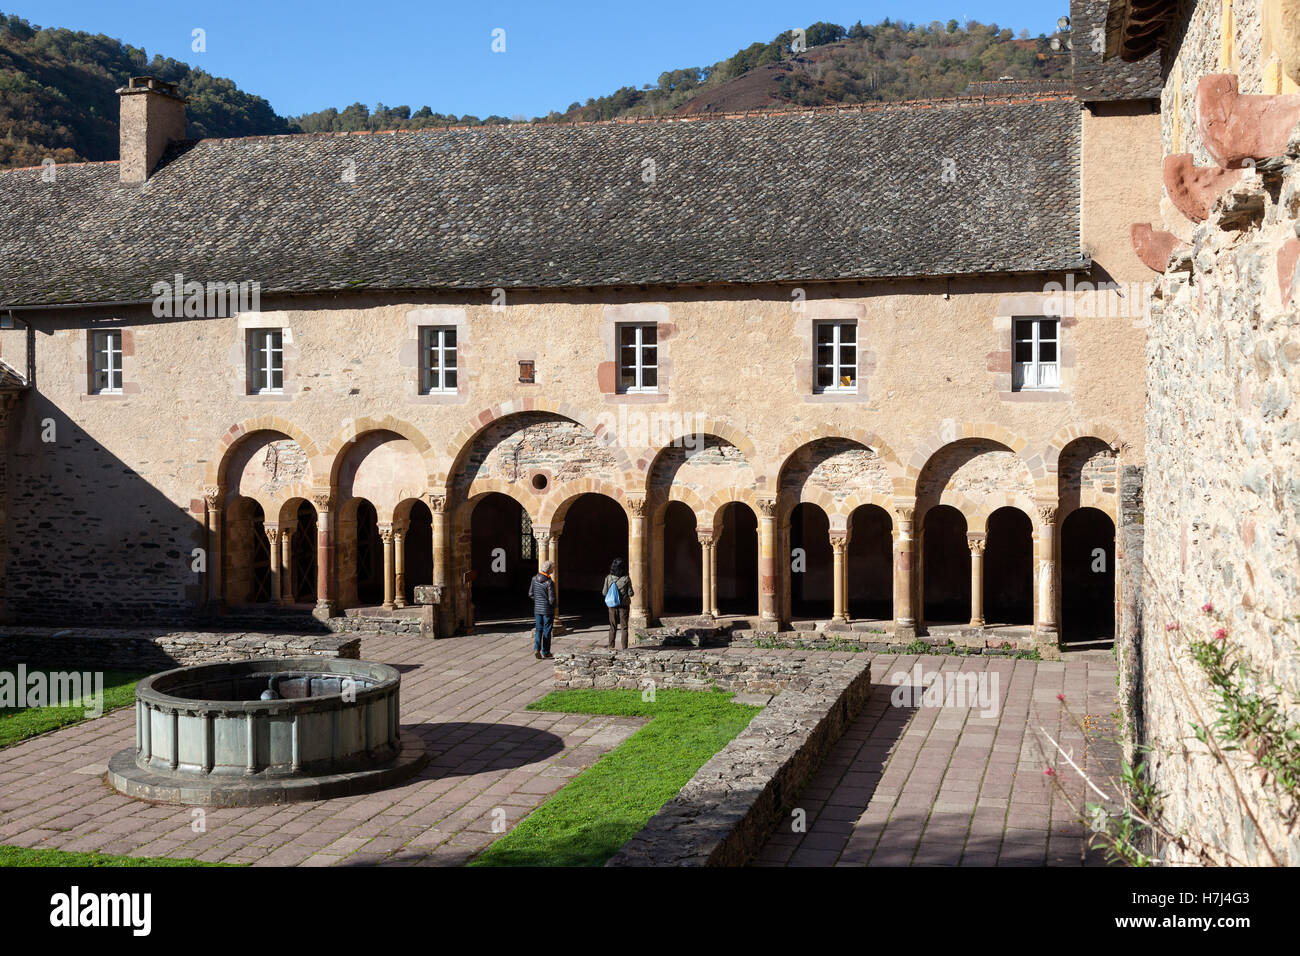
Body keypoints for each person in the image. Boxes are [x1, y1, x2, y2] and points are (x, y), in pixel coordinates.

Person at [602, 558, 634, 650]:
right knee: (624, 627)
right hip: (623, 606)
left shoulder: (608, 578)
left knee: (612, 626)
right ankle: (624, 647)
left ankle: (611, 645)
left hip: (612, 606)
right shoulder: (626, 578)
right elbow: (631, 593)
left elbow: (604, 592)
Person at [528, 560, 556, 659]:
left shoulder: (534, 579)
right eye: (552, 568)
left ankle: (536, 649)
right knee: (547, 630)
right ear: (549, 570)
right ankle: (546, 652)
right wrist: (553, 607)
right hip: (547, 610)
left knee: (538, 629)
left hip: (537, 609)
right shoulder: (549, 582)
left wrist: (538, 601)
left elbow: (530, 594)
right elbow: (551, 599)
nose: (553, 569)